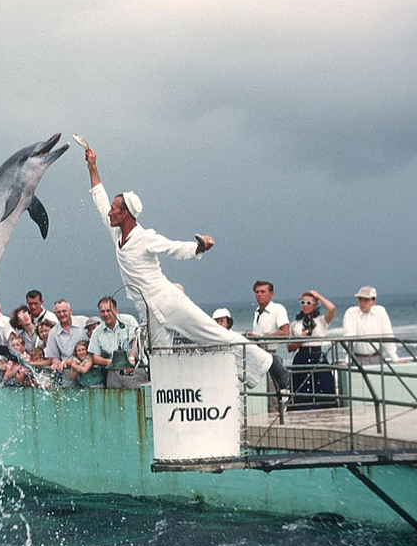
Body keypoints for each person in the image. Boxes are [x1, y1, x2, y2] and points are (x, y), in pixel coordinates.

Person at [84, 144, 275, 389]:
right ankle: (170, 403)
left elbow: (173, 247)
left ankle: (270, 364)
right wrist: (92, 167)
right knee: (160, 358)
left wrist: (199, 248)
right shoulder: (117, 235)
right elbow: (100, 202)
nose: (109, 212)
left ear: (126, 214)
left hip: (167, 300)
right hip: (149, 311)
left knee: (211, 334)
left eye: (114, 208)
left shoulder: (145, 237)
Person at [287, 290, 338, 408]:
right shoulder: (296, 323)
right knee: (300, 387)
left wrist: (318, 296)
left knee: (323, 385)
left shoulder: (321, 321)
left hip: (317, 355)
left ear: (315, 305)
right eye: (303, 302)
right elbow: (290, 347)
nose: (305, 305)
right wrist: (301, 338)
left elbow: (332, 308)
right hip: (302, 355)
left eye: (309, 303)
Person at [88, 296, 144, 388]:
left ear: (116, 311)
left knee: (139, 398)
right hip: (113, 372)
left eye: (108, 310)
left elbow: (136, 340)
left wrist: (131, 358)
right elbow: (95, 357)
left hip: (134, 370)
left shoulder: (128, 320)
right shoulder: (97, 331)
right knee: (113, 398)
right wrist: (112, 362)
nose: (106, 314)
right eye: (102, 311)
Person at [342, 286, 399, 364]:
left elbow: (387, 335)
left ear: (373, 301)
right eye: (360, 299)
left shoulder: (380, 311)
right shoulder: (351, 313)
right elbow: (349, 337)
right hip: (358, 358)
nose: (362, 303)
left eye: (366, 300)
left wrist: (394, 358)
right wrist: (347, 361)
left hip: (377, 357)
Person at [44, 299, 87, 386]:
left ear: (70, 311)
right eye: (58, 312)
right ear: (55, 314)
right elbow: (54, 357)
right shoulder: (53, 333)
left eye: (64, 311)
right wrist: (56, 364)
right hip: (68, 376)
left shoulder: (84, 322)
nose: (62, 314)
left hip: (87, 370)